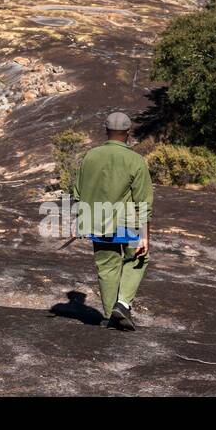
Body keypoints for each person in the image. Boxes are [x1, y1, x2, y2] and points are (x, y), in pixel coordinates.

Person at [70, 112, 153, 330]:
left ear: (106, 131)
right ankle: (123, 304)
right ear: (128, 133)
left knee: (106, 266)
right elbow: (142, 201)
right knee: (138, 259)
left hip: (96, 221)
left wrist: (77, 222)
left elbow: (78, 193)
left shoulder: (90, 156)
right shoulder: (135, 160)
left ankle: (109, 316)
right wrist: (145, 235)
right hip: (127, 223)